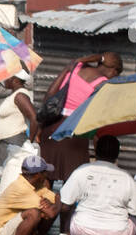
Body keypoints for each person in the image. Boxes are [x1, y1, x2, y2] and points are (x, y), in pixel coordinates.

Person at [39, 51, 124, 181]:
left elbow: (50, 94)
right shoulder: (103, 83)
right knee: (72, 180)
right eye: (116, 74)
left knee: (46, 177)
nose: (114, 77)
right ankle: (60, 202)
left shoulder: (75, 67)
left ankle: (46, 201)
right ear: (112, 69)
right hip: (74, 131)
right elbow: (96, 116)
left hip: (52, 127)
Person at [59, 136, 136, 235]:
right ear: (117, 154)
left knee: (70, 206)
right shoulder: (127, 177)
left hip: (82, 232)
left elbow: (64, 206)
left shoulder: (82, 170)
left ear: (96, 151)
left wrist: (64, 230)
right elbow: (135, 212)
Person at [0, 155, 59, 235]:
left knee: (43, 213)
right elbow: (52, 212)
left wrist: (53, 202)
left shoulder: (36, 186)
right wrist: (54, 203)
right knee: (34, 213)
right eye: (45, 173)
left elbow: (56, 200)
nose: (46, 176)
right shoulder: (19, 187)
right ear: (37, 174)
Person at [0, 72, 38, 157]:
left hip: (13, 142)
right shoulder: (14, 94)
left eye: (7, 78)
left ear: (15, 80)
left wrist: (30, 142)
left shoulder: (20, 96)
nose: (5, 81)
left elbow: (34, 118)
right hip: (6, 142)